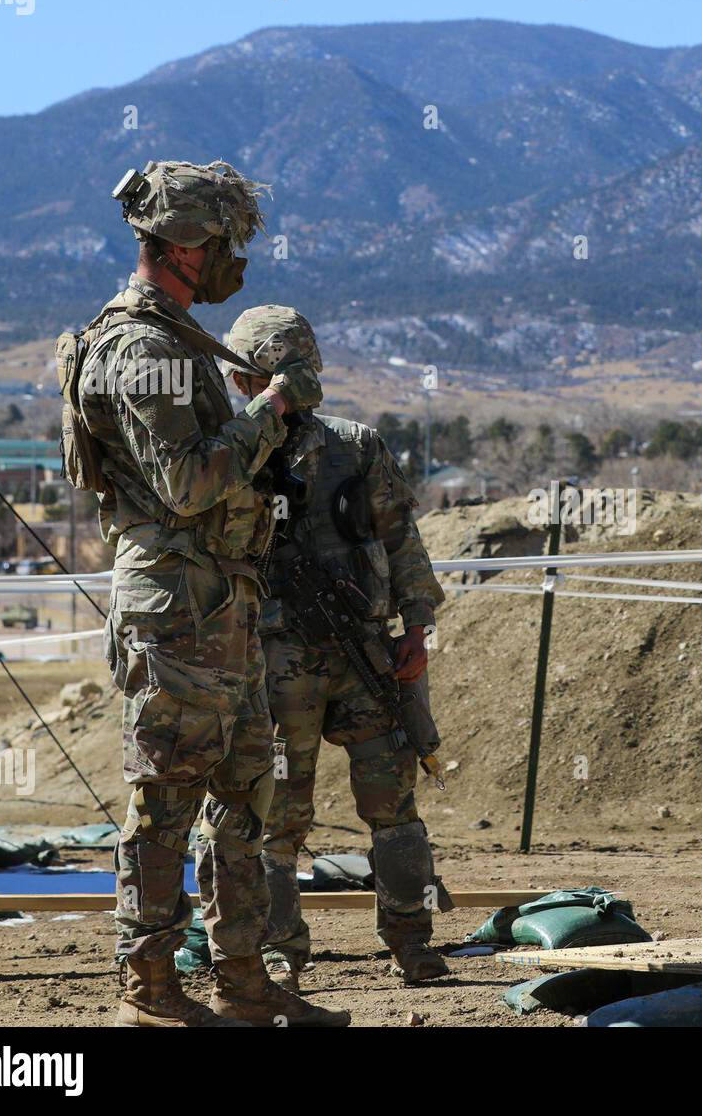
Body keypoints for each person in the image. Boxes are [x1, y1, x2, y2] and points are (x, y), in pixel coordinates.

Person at [73, 160, 347, 1025]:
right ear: (186, 244)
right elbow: (188, 485)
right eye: (227, 242)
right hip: (176, 606)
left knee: (244, 793)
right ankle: (149, 990)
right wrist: (269, 406)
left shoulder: (183, 339)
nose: (237, 261)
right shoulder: (141, 349)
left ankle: (243, 981)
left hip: (220, 601)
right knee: (167, 796)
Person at [225, 305, 451, 986]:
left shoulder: (355, 446)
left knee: (393, 806)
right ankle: (279, 953)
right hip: (275, 659)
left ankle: (411, 942)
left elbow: (399, 540)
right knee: (278, 818)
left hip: (364, 655)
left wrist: (415, 627)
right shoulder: (235, 455)